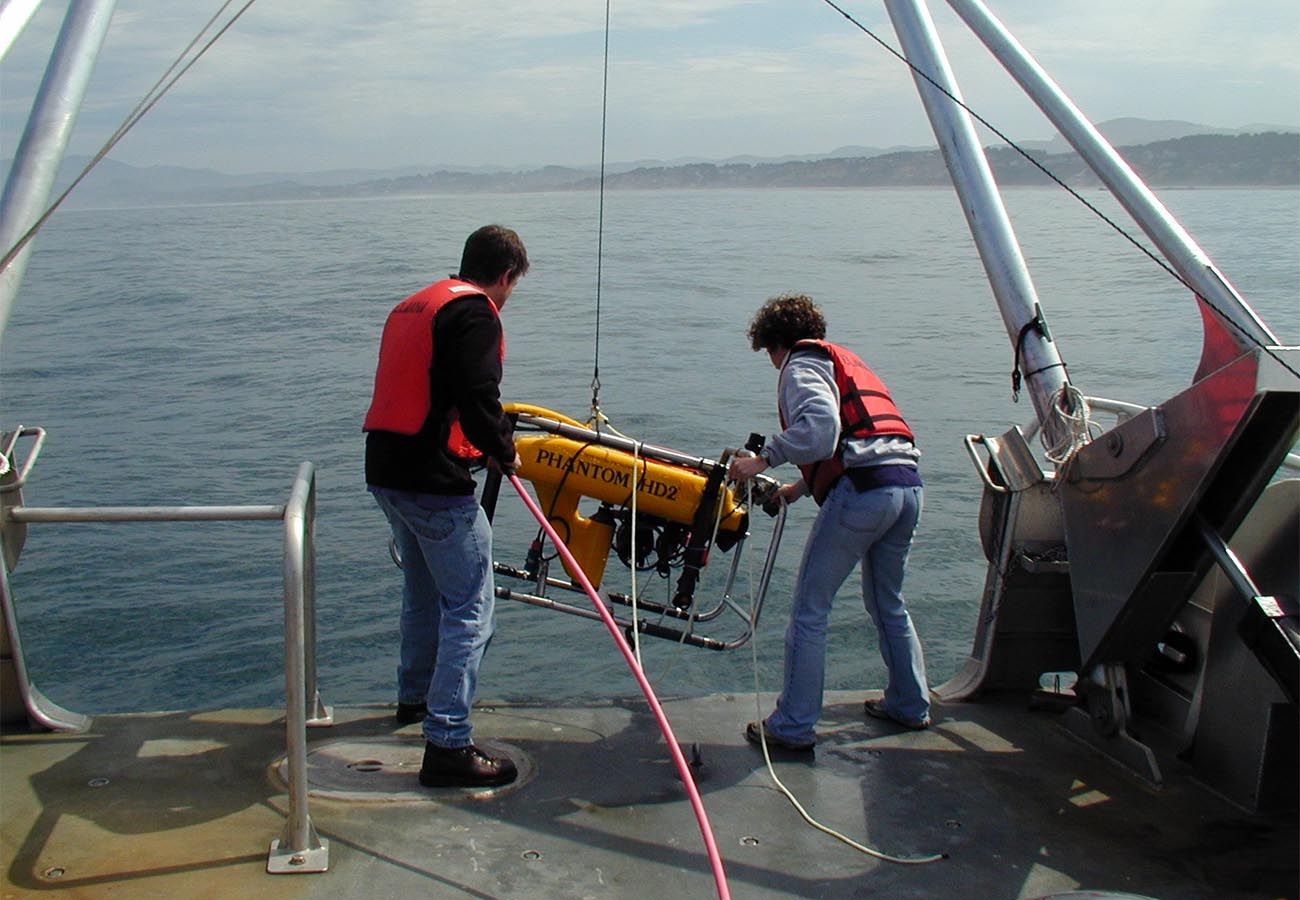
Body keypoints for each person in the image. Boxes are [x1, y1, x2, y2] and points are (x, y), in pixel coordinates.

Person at [728, 293, 931, 753]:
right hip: (906, 488)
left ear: (774, 344)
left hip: (862, 495)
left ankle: (793, 726)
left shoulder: (799, 366)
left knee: (809, 609)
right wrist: (798, 489)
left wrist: (764, 460)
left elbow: (821, 430)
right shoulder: (844, 361)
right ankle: (910, 703)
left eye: (768, 355)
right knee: (888, 602)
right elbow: (862, 437)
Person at [363, 224, 528, 787]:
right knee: (470, 608)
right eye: (511, 287)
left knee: (424, 593)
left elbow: (427, 387)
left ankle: (414, 700)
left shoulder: (415, 304)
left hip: (387, 471)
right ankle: (449, 743)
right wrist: (504, 452)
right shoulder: (477, 312)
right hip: (432, 480)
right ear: (505, 276)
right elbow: (479, 398)